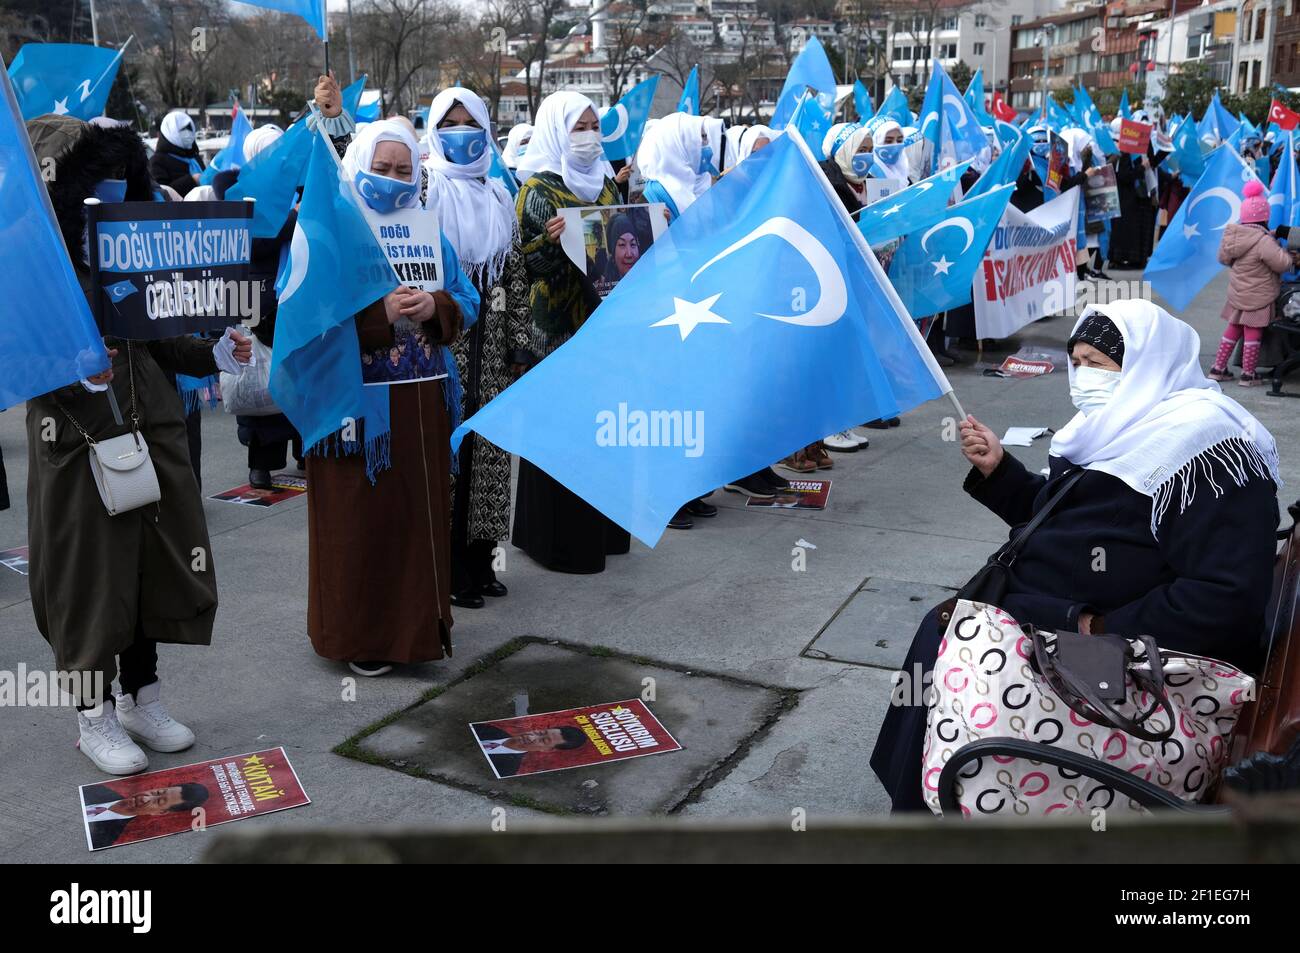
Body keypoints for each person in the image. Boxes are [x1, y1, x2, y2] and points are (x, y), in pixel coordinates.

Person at [871, 299, 1280, 812]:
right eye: (1077, 361)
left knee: (948, 636)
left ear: (1145, 365)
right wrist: (1001, 471)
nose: (1083, 377)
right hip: (1058, 619)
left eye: (1099, 363)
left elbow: (1225, 596)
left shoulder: (1207, 451)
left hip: (1121, 661)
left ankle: (927, 805)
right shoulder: (1123, 426)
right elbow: (1067, 524)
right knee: (945, 628)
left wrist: (1095, 628)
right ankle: (921, 796)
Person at [26, 114, 253, 775]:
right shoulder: (41, 272)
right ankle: (92, 716)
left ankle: (141, 698)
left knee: (151, 570)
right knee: (91, 583)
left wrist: (213, 350)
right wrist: (73, 365)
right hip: (76, 446)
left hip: (150, 432)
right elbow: (22, 363)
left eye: (124, 188)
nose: (113, 203)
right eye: (97, 190)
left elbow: (160, 339)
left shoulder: (132, 253)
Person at [304, 108, 480, 677]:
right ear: (360, 165)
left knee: (416, 520)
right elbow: (303, 314)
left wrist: (438, 307)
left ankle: (416, 633)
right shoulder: (332, 230)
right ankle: (361, 636)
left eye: (404, 168)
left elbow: (468, 298)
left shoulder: (428, 228)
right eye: (382, 165)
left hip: (422, 403)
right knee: (360, 521)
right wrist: (374, 316)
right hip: (355, 407)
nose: (393, 177)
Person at [511, 91, 634, 570]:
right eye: (577, 126)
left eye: (593, 126)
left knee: (601, 433)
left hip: (602, 332)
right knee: (562, 437)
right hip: (556, 332)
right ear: (556, 129)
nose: (588, 136)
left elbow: (621, 245)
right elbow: (520, 266)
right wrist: (550, 241)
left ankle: (602, 532)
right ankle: (556, 541)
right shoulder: (537, 190)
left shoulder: (606, 185)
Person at [423, 87, 533, 609]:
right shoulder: (424, 190)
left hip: (490, 350)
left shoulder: (497, 193)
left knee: (488, 456)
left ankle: (481, 561)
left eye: (471, 123)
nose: (461, 134)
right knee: (447, 456)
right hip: (442, 345)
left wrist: (518, 346)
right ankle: (445, 572)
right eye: (451, 123)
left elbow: (514, 274)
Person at [1210, 179, 1298, 386]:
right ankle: (1248, 374)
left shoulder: (1233, 237)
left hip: (1237, 293)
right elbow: (1281, 263)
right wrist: (1287, 254)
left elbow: (1223, 258)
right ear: (1265, 218)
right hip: (1259, 296)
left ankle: (1218, 368)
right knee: (1253, 332)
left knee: (1233, 329)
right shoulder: (1263, 241)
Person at [82, 782, 209, 849]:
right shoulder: (95, 790)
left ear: (160, 812)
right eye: (157, 792)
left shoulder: (105, 838)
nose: (145, 798)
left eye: (158, 801)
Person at [472, 723, 589, 777]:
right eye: (540, 733)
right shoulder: (488, 729)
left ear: (548, 750)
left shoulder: (507, 769)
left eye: (543, 741)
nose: (531, 737)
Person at [149, 110, 205, 198]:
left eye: (189, 129)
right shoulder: (157, 161)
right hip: (177, 211)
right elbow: (160, 193)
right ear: (170, 131)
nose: (187, 133)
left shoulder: (195, 157)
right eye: (182, 130)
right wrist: (192, 180)